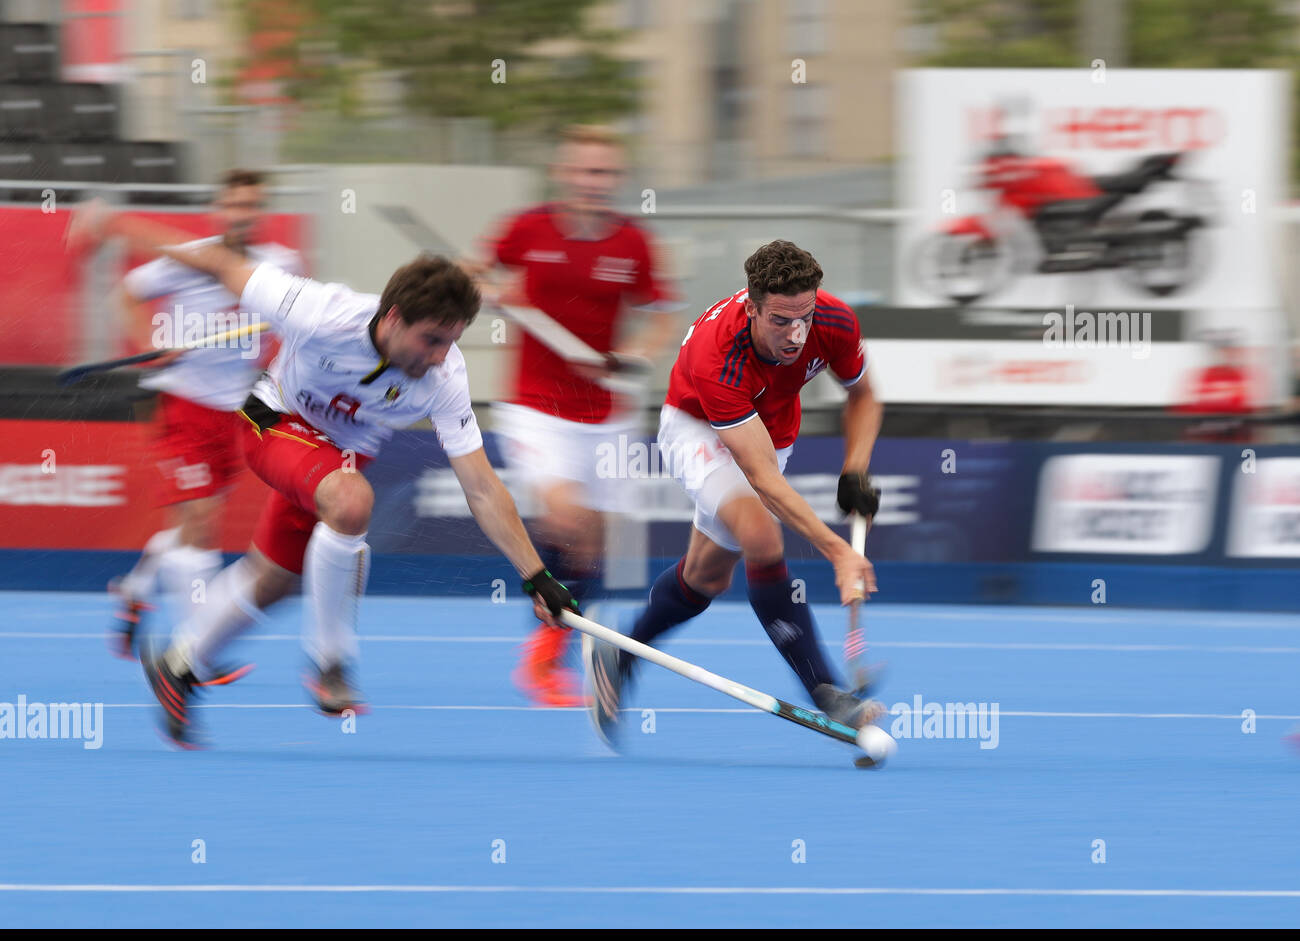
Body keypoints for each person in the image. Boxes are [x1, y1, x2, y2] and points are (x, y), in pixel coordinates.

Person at [68, 200, 578, 748]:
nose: (440, 356)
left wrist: (536, 575)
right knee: (352, 501)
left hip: (340, 457)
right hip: (274, 423)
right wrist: (120, 227)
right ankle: (331, 663)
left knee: (274, 580)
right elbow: (217, 263)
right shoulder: (317, 309)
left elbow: (480, 485)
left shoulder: (445, 375)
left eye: (451, 340)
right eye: (432, 339)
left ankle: (180, 664)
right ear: (392, 318)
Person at [584, 239, 884, 742]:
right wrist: (837, 552)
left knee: (707, 578)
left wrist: (854, 470)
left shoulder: (833, 319)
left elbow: (864, 394)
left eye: (804, 317)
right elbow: (762, 479)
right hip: (697, 426)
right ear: (751, 309)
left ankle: (620, 650)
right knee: (760, 534)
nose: (796, 334)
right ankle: (827, 690)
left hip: (771, 428)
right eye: (781, 321)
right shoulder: (716, 352)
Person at [463, 125, 681, 707]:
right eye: (585, 171)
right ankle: (540, 659)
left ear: (618, 179)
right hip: (536, 404)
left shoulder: (635, 243)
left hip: (606, 411)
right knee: (564, 516)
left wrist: (633, 355)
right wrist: (491, 292)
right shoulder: (526, 227)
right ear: (564, 173)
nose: (594, 183)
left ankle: (549, 642)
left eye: (605, 174)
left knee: (592, 545)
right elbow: (470, 274)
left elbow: (660, 315)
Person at [110, 170, 303, 665]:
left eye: (252, 205)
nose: (243, 214)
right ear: (220, 210)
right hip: (182, 404)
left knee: (189, 525)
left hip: (235, 412)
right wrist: (148, 342)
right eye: (234, 205)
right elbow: (128, 292)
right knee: (200, 521)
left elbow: (297, 323)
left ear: (262, 211)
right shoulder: (189, 260)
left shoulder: (281, 266)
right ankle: (194, 649)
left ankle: (133, 589)